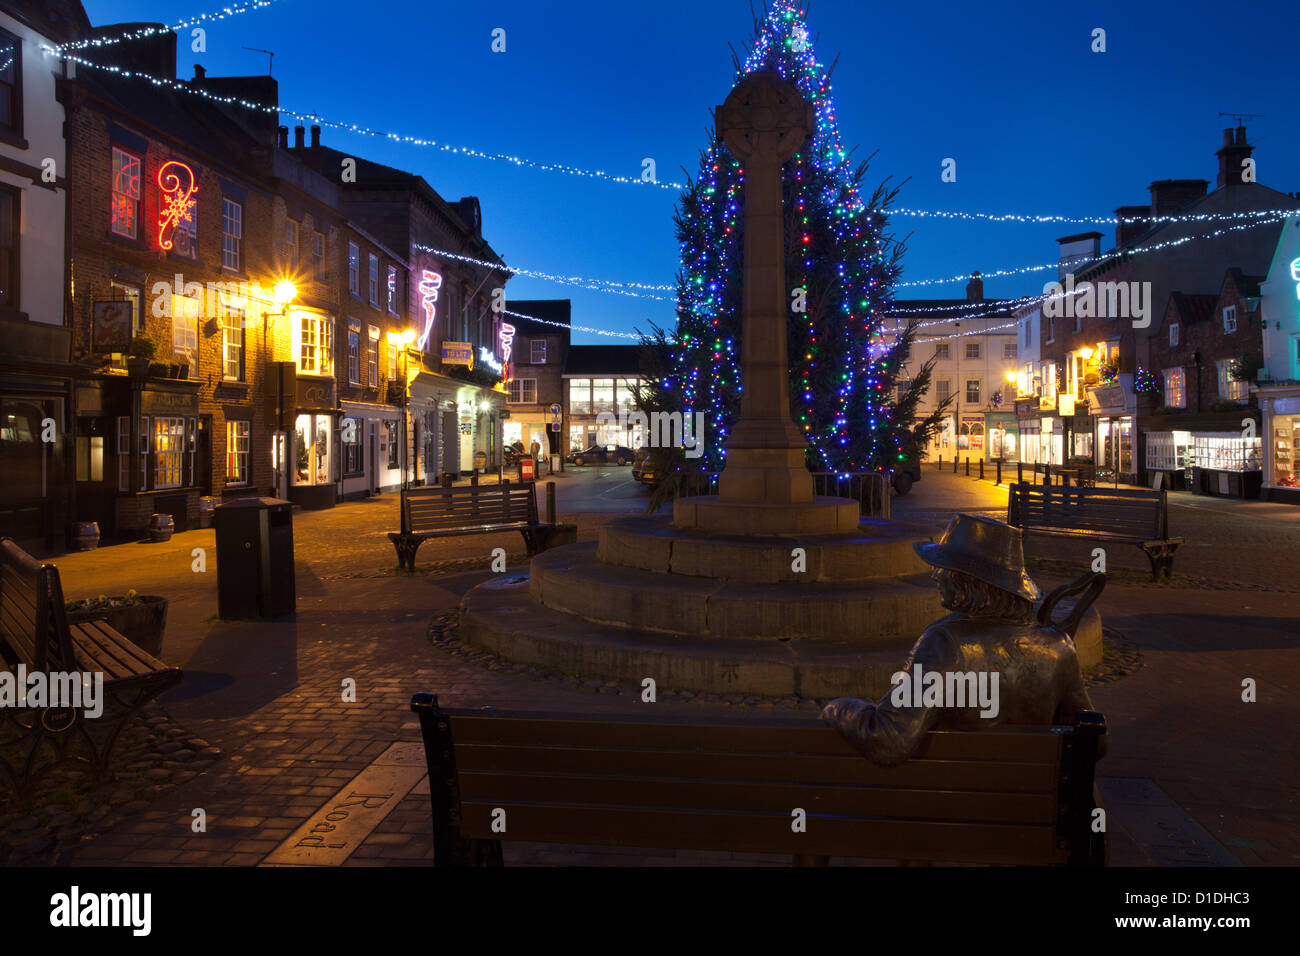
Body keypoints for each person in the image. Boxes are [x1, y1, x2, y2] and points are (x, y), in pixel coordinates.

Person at [821, 513, 1105, 767]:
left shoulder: (946, 645)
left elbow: (888, 740)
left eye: (944, 568)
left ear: (967, 580)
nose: (935, 576)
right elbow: (1096, 742)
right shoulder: (1059, 647)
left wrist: (838, 708)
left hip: (952, 806)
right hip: (1032, 811)